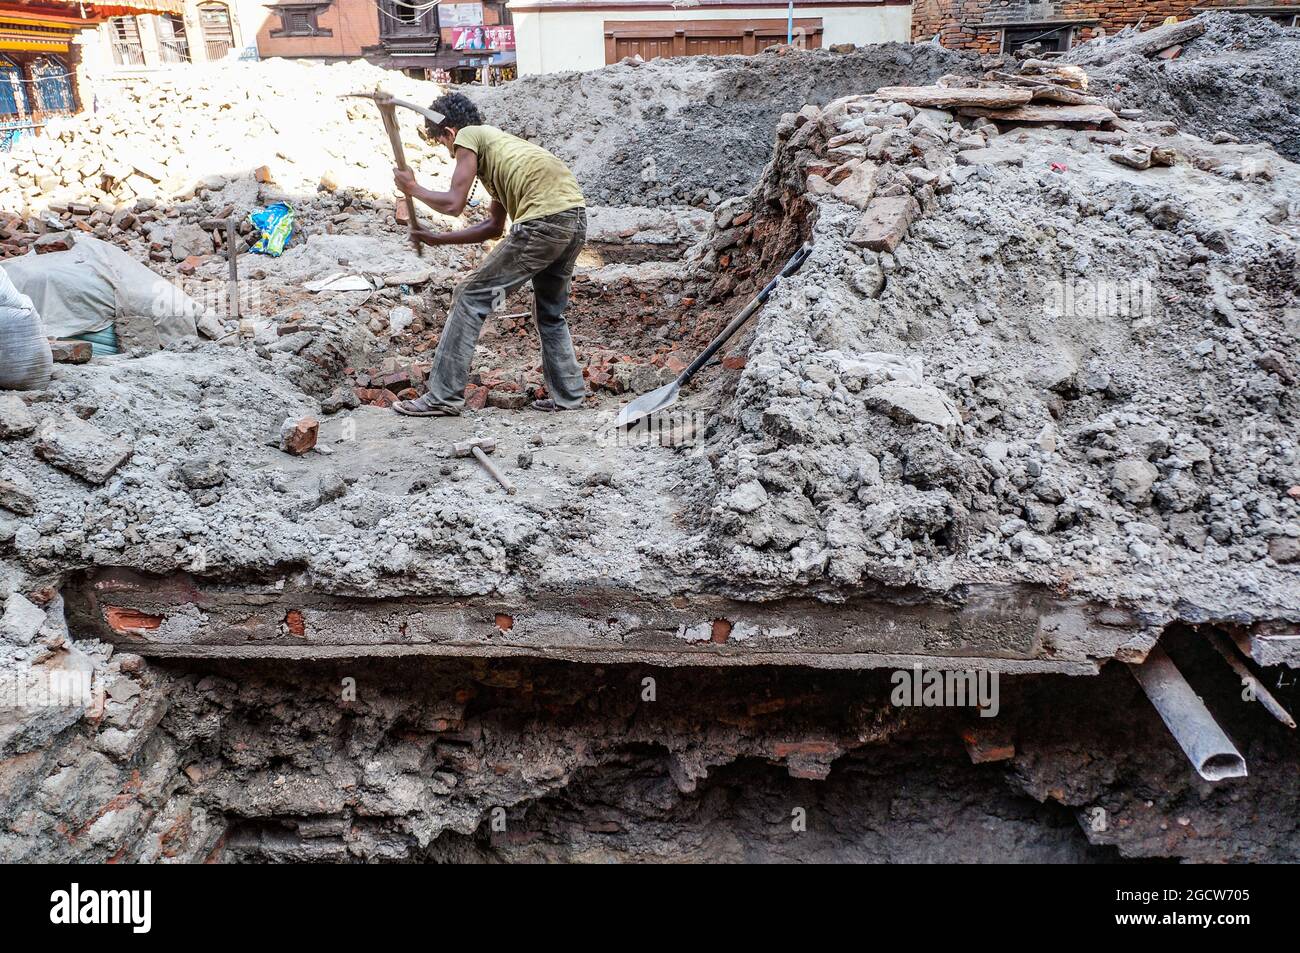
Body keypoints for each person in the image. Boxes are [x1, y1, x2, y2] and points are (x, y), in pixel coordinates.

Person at [390, 92, 588, 417]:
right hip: (574, 220)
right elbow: (494, 227)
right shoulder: (500, 150)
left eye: (444, 146)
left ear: (450, 133)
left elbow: (454, 204)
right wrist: (438, 239)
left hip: (542, 222)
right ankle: (569, 396)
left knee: (470, 297)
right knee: (550, 313)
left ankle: (442, 397)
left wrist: (413, 189)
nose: (451, 154)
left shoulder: (469, 136)